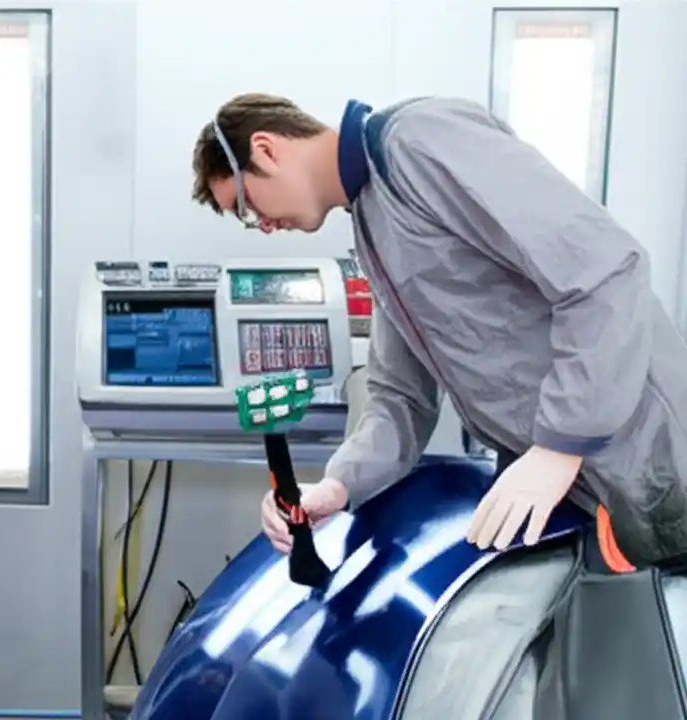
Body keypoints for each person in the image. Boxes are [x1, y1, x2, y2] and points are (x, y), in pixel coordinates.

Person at [191, 94, 687, 569]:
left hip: (647, 453)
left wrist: (560, 447)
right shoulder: (373, 225)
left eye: (246, 207)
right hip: (574, 481)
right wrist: (337, 487)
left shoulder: (420, 142)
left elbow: (604, 271)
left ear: (266, 148)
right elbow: (400, 398)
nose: (262, 226)